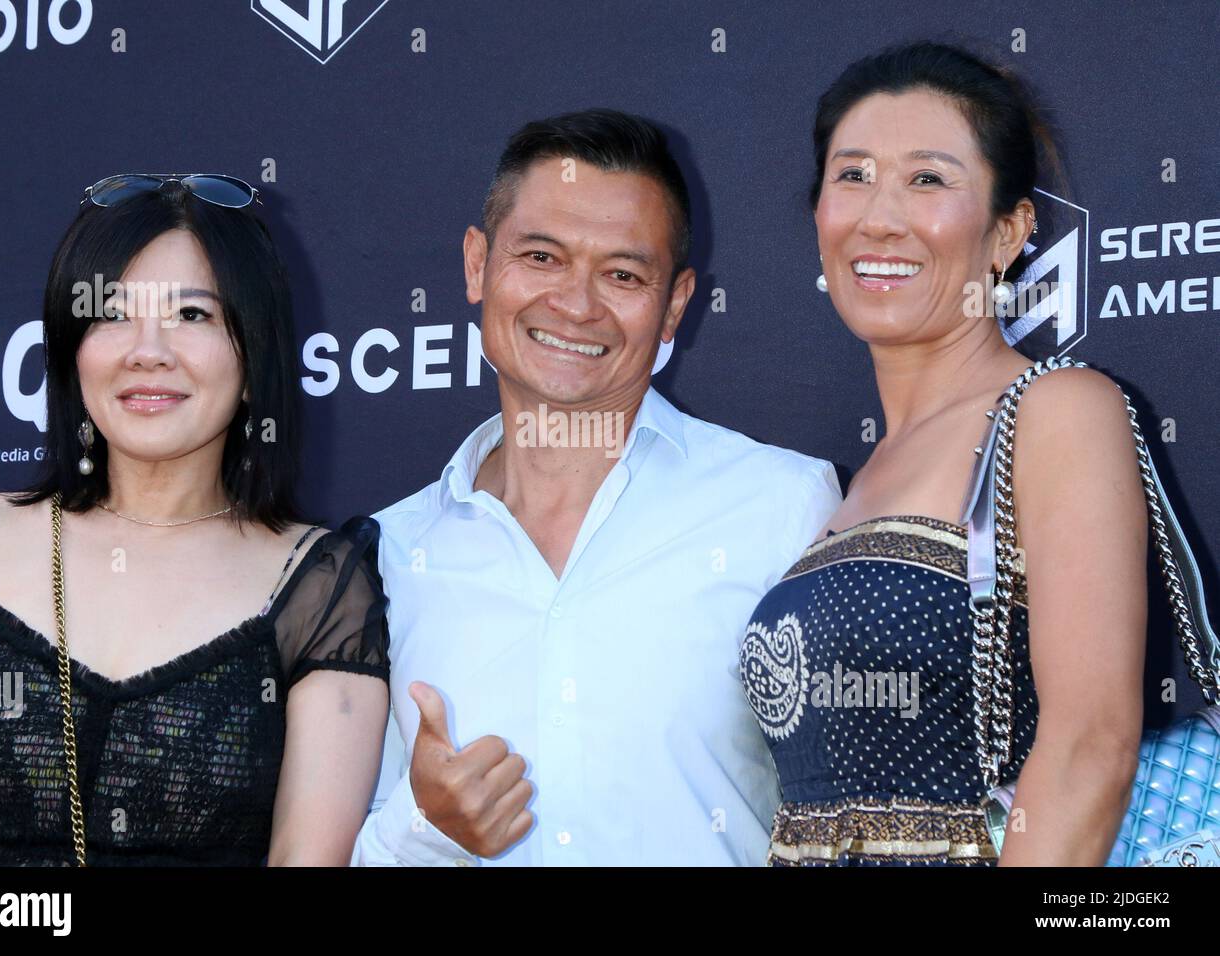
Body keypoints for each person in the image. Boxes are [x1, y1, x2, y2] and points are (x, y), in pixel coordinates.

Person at [352, 109, 841, 866]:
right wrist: (424, 828)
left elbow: (853, 821)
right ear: (477, 265)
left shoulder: (785, 509)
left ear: (675, 303)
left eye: (622, 274)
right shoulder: (386, 555)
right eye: (542, 257)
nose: (577, 304)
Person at [740, 42, 1145, 866]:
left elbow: (1088, 750)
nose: (877, 215)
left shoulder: (1055, 411)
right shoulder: (849, 486)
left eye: (927, 179)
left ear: (1010, 229)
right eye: (851, 175)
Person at [0, 174, 390, 866]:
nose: (147, 349)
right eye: (111, 312)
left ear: (254, 355)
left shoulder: (319, 588)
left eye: (192, 316)